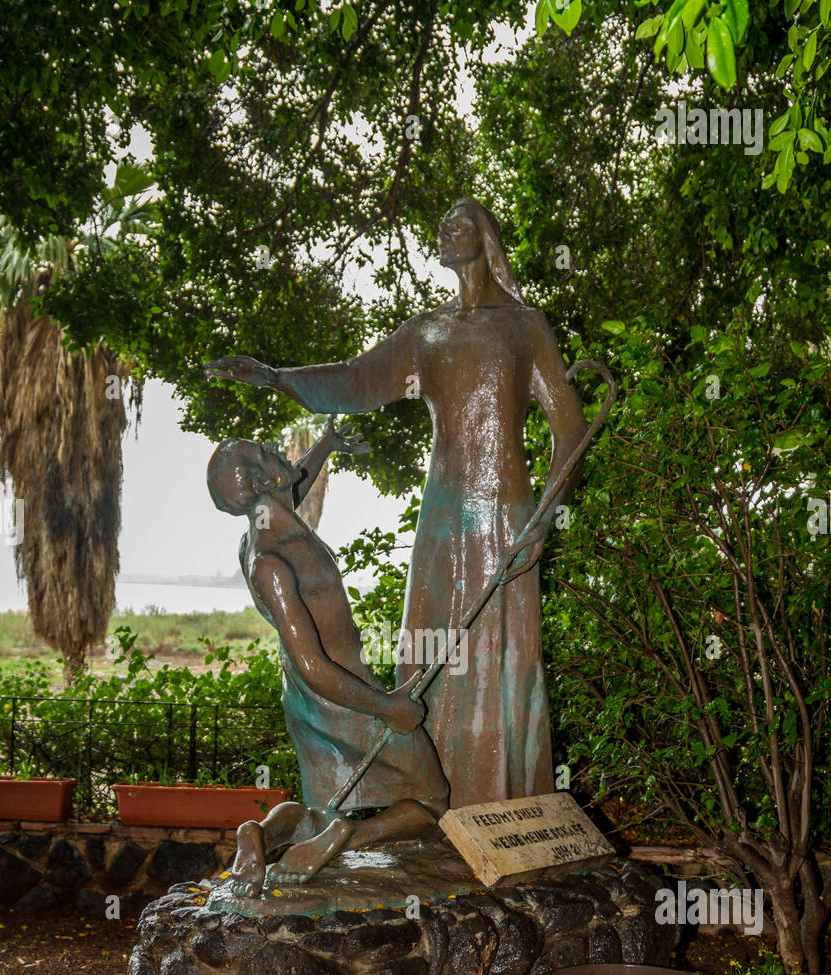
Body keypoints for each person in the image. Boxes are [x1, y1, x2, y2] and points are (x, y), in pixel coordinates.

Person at [205, 197, 587, 807]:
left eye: (458, 222)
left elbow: (569, 428)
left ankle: (503, 799)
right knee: (432, 645)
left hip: (508, 510)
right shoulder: (426, 332)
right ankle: (428, 801)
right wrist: (277, 376)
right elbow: (356, 380)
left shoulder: (525, 327)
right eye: (440, 223)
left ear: (484, 236)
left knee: (503, 650)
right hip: (442, 514)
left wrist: (545, 514)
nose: (444, 229)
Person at [206, 418, 449, 890]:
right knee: (432, 800)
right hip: (335, 688)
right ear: (259, 482)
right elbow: (313, 665)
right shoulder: (272, 562)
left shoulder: (266, 524)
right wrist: (389, 707)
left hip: (309, 692)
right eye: (265, 450)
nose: (276, 448)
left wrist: (325, 447)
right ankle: (349, 838)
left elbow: (292, 481)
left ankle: (258, 833)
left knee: (321, 803)